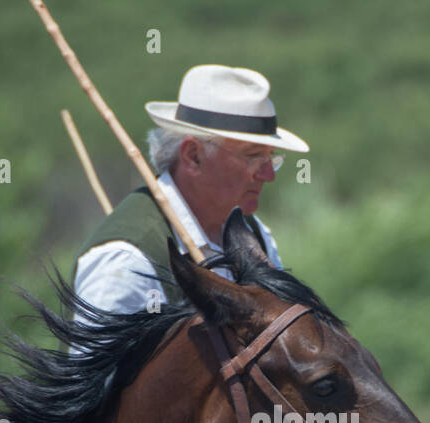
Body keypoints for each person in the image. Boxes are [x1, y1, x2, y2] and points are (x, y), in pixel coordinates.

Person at [72, 63, 309, 314]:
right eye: (253, 157)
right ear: (193, 156)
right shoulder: (127, 260)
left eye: (270, 158)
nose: (268, 174)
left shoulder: (255, 234)